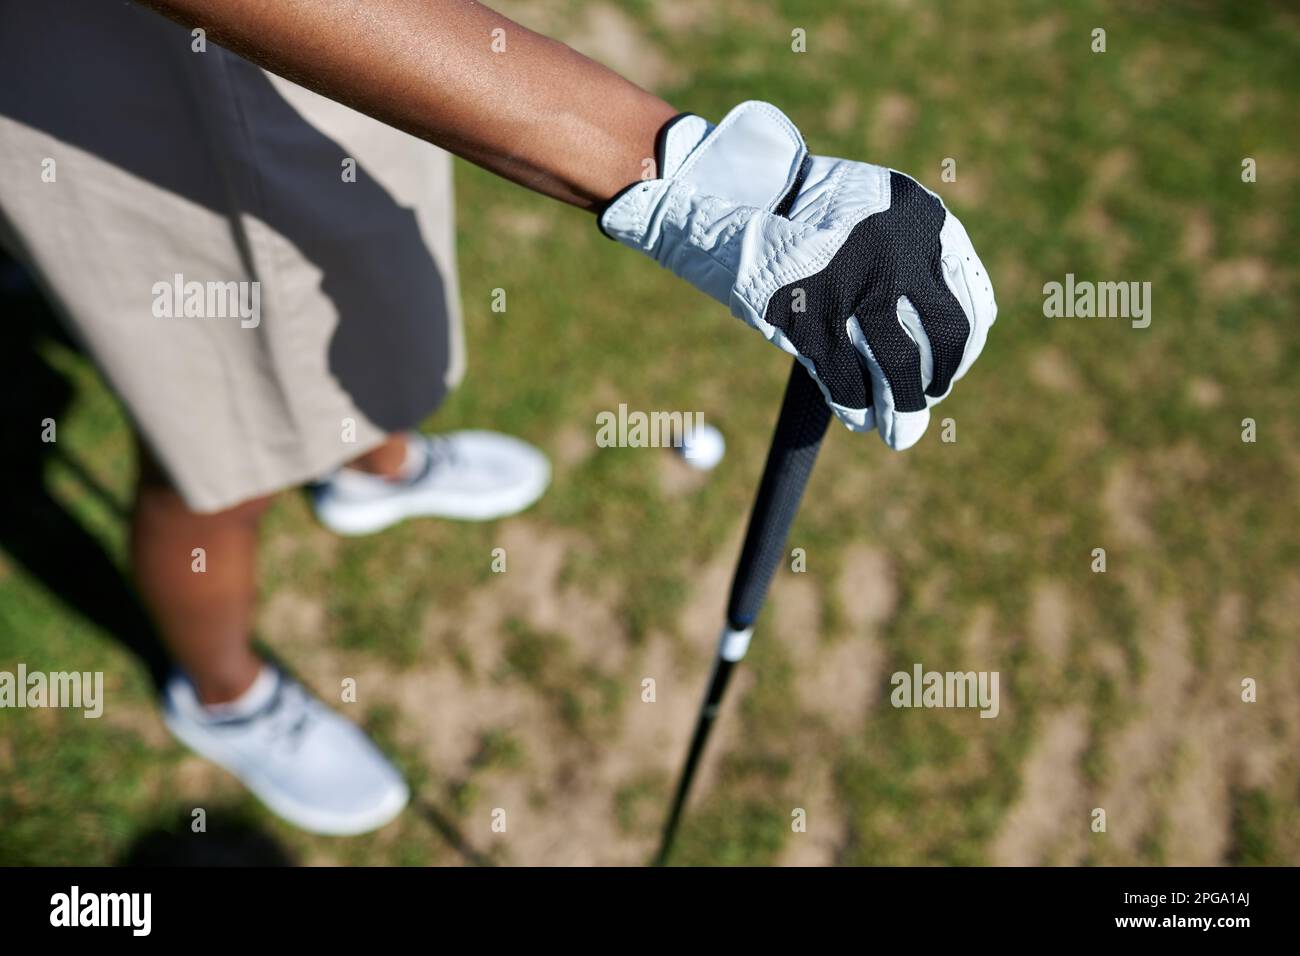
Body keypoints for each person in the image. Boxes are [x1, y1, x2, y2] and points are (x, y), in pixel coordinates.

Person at [0, 0, 995, 836]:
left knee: (380, 281)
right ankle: (224, 696)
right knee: (219, 436)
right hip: (113, 70)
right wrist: (687, 178)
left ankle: (369, 467)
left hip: (370, 39)